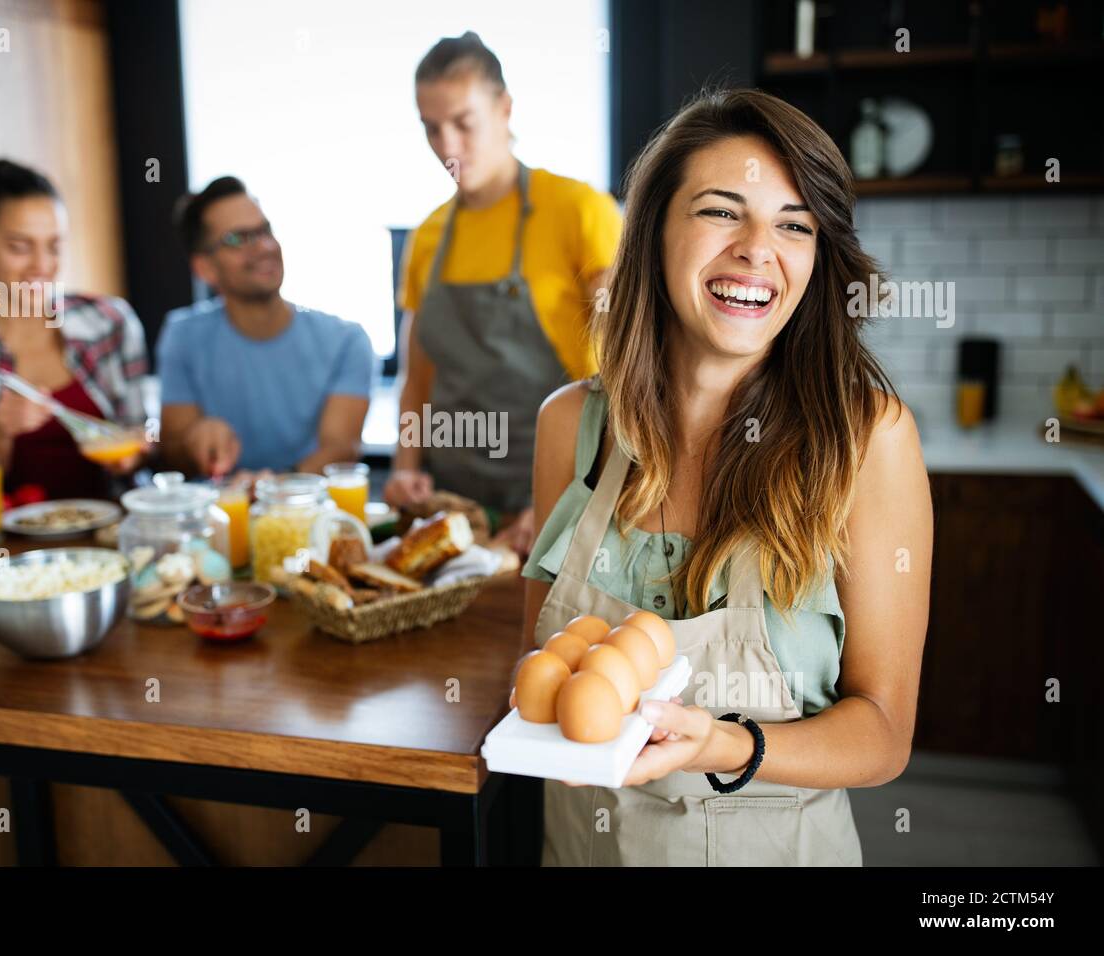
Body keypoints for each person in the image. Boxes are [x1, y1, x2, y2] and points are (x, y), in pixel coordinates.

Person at [520, 88, 932, 866]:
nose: (757, 248)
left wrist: (718, 743)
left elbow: (882, 734)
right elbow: (549, 674)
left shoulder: (867, 439)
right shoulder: (569, 427)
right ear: (653, 233)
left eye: (793, 224)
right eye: (720, 212)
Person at [384, 32, 622, 555]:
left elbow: (629, 371)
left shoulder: (579, 211)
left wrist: (565, 496)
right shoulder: (427, 237)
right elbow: (416, 378)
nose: (447, 145)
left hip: (555, 500)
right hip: (453, 507)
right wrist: (405, 471)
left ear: (505, 108)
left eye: (463, 123)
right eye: (431, 128)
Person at [0, 159, 149, 500]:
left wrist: (134, 452)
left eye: (54, 246)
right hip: (6, 543)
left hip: (109, 534)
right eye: (20, 247)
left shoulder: (110, 321)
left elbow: (147, 434)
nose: (42, 266)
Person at [157, 176, 375, 481]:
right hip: (216, 519)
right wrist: (195, 437)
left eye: (264, 231)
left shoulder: (347, 341)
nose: (265, 247)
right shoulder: (182, 336)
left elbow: (341, 448)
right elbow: (172, 449)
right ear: (205, 268)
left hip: (308, 515)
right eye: (238, 239)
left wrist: (277, 487)